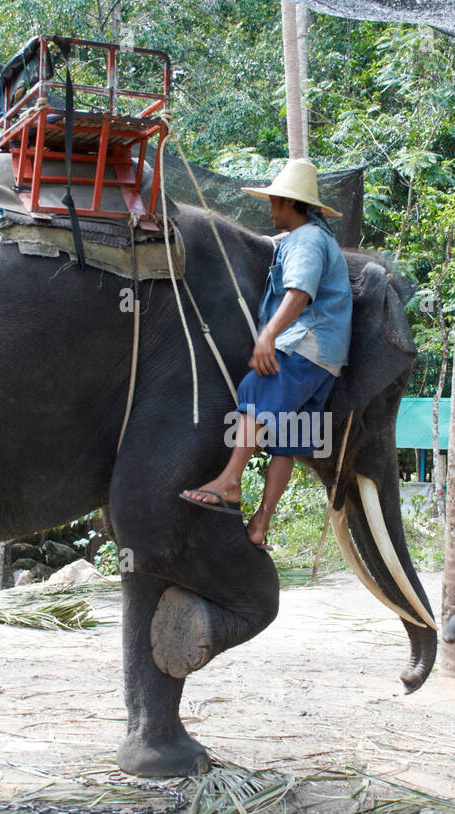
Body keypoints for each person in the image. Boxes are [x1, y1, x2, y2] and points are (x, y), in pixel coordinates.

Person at [180, 157, 352, 548]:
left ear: (291, 204)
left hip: (304, 345)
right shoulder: (313, 238)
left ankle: (230, 481)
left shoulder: (306, 241)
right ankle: (260, 524)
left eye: (275, 201)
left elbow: (299, 292)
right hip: (327, 359)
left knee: (256, 390)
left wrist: (268, 336)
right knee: (288, 440)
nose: (270, 207)